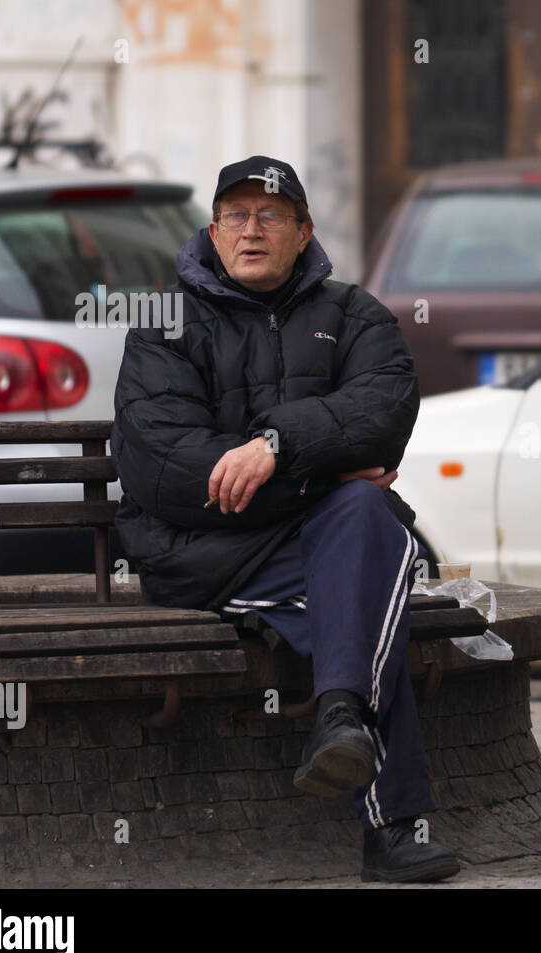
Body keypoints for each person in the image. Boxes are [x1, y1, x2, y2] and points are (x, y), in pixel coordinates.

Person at [112, 155, 460, 883]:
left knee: (366, 526)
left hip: (314, 542)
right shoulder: (163, 322)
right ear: (212, 230)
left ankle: (340, 717)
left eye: (271, 215)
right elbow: (166, 467)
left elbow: (385, 412)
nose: (251, 229)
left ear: (303, 232)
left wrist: (276, 447)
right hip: (205, 552)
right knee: (367, 562)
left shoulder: (354, 314)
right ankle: (390, 822)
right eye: (236, 215)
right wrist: (319, 466)